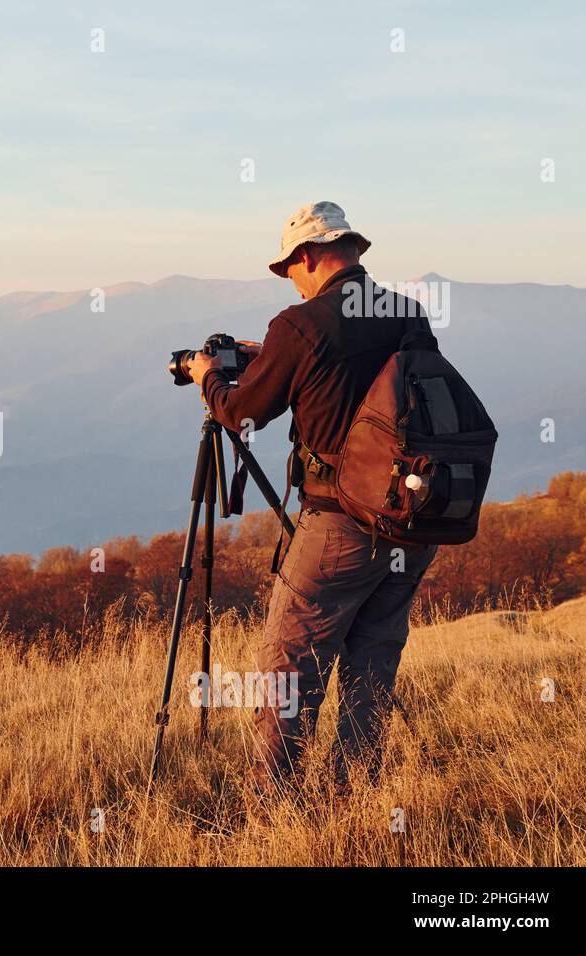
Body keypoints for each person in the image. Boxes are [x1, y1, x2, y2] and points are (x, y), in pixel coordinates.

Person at [184, 201, 437, 791]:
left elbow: (244, 414)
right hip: (409, 520)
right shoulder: (407, 313)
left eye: (289, 270)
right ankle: (354, 798)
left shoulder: (299, 326)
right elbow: (371, 382)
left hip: (339, 523)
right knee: (372, 663)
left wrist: (209, 378)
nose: (290, 283)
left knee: (289, 667)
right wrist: (271, 360)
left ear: (310, 256)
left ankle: (274, 806)